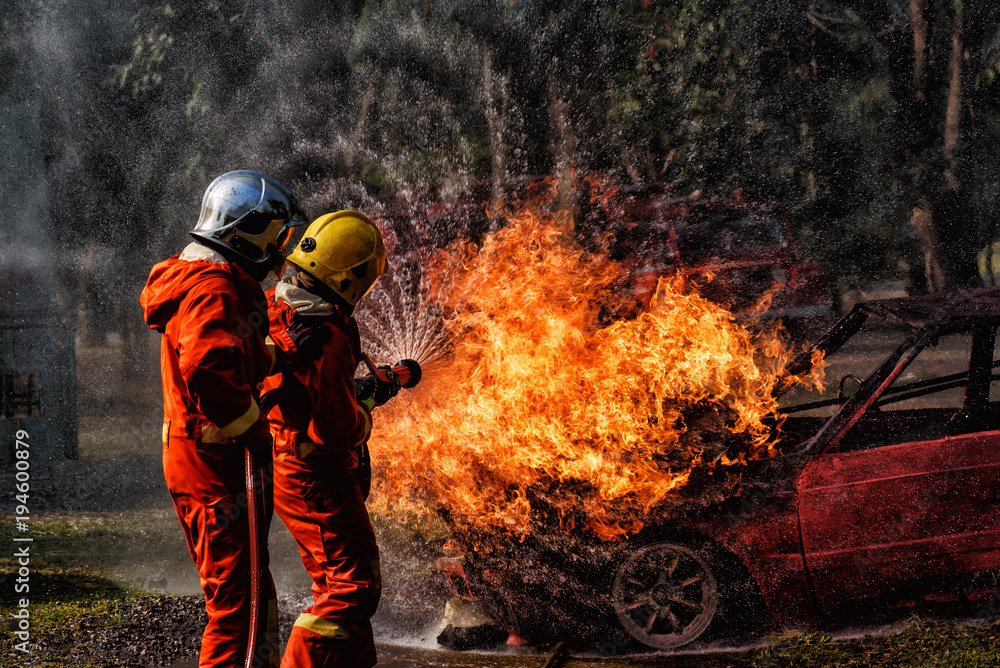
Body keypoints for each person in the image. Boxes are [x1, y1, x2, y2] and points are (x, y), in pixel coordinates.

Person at [141, 170, 324, 668]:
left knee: (250, 589)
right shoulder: (214, 287)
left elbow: (230, 353)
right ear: (249, 233)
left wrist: (280, 353)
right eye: (277, 237)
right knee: (236, 610)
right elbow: (207, 368)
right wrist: (254, 431)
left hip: (204, 459)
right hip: (217, 464)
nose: (281, 251)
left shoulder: (204, 276)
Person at [261, 210, 401, 668]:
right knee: (353, 589)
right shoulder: (328, 333)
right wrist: (364, 406)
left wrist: (352, 391)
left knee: (333, 584)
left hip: (287, 463)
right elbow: (335, 429)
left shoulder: (276, 306)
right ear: (352, 278)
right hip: (315, 475)